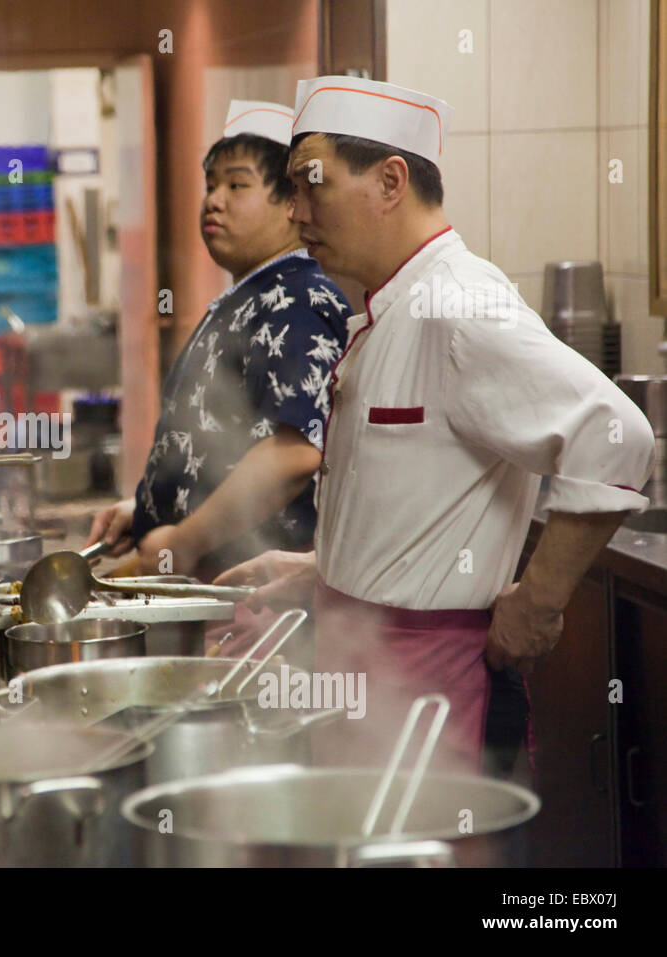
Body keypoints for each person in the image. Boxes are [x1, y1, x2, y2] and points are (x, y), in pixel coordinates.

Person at [215, 75, 656, 774]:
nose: (295, 212)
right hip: (366, 689)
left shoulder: (458, 305)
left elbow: (618, 437)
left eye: (310, 184)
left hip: (432, 703)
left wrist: (537, 603)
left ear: (391, 181)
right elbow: (415, 493)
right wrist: (321, 567)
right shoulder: (389, 308)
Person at [86, 101, 350, 638]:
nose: (213, 201)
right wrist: (145, 509)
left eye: (237, 186)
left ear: (290, 205)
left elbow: (295, 453)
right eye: (211, 185)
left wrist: (185, 539)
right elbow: (217, 443)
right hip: (213, 593)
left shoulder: (295, 300)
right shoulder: (252, 295)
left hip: (258, 599)